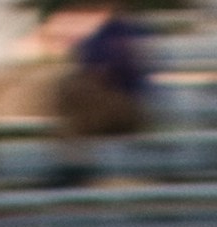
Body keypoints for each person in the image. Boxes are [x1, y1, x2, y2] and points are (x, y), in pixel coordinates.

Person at [46, 3, 155, 184]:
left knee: (78, 90)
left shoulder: (136, 34)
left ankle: (72, 164)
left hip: (127, 107)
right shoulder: (97, 37)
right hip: (96, 110)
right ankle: (73, 163)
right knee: (71, 87)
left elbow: (135, 80)